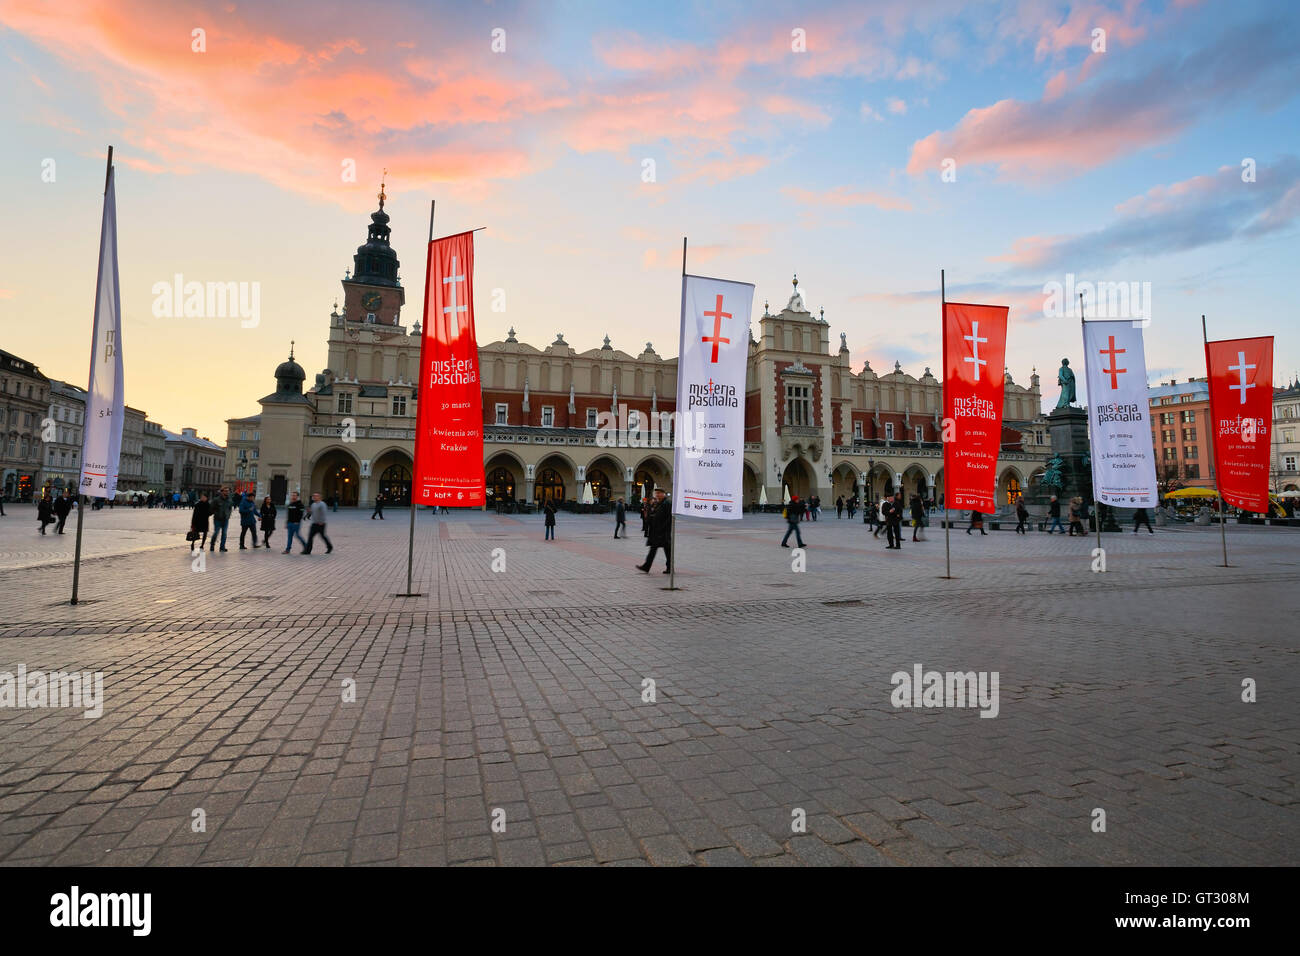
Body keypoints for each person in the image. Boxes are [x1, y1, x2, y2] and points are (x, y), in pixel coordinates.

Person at [637, 488, 673, 572]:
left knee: (664, 550)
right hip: (656, 531)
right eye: (656, 493)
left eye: (659, 493)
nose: (657, 495)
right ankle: (648, 566)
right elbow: (654, 514)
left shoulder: (667, 503)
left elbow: (669, 518)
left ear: (664, 494)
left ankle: (668, 567)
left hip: (663, 532)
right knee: (659, 550)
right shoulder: (658, 503)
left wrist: (663, 528)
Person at [209, 487, 232, 551]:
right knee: (216, 532)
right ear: (222, 492)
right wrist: (216, 513)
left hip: (225, 519)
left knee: (224, 533)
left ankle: (222, 547)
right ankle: (212, 545)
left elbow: (230, 508)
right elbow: (211, 508)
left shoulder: (229, 500)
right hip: (217, 519)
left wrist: (228, 515)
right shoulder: (216, 500)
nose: (227, 492)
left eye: (228, 491)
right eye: (225, 491)